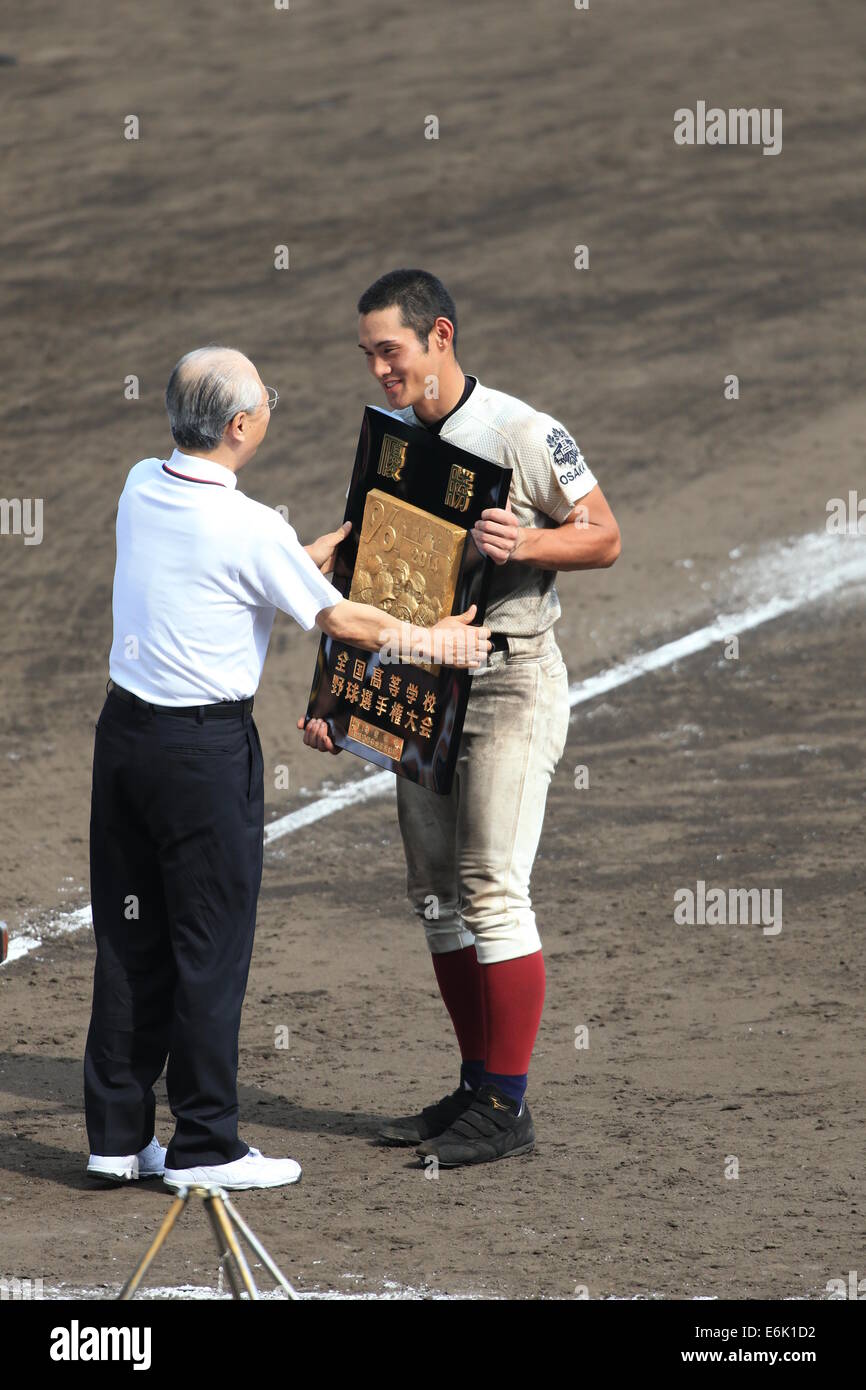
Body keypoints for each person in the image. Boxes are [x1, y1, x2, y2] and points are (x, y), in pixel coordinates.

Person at [84, 344, 489, 1191]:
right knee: (208, 945)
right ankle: (205, 1147)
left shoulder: (138, 485)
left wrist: (305, 553)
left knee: (132, 939)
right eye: (265, 397)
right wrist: (438, 641)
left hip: (124, 745)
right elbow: (348, 626)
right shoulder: (250, 526)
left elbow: (216, 578)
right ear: (240, 426)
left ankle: (118, 1138)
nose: (272, 403)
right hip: (202, 759)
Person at [300, 271, 621, 1168]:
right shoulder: (394, 439)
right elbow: (374, 577)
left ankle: (509, 1107)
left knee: (490, 886)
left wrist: (530, 541)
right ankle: (479, 1082)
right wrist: (333, 694)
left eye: (389, 351)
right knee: (436, 895)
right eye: (367, 355)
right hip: (421, 685)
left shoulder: (523, 432)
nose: (378, 370)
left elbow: (604, 534)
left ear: (439, 335)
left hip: (513, 682)